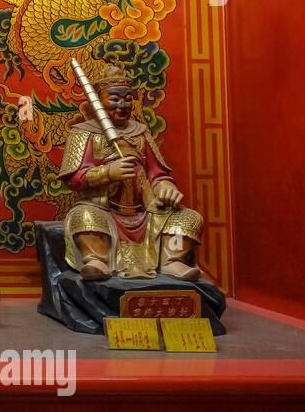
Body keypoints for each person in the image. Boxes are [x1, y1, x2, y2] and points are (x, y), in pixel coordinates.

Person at [58, 66, 203, 280]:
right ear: (98, 101)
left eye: (128, 99)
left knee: (189, 218)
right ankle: (98, 259)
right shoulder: (84, 132)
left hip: (144, 209)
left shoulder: (140, 132)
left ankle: (172, 259)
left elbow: (157, 173)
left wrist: (165, 187)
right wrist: (107, 172)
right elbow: (73, 177)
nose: (123, 105)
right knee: (84, 216)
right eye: (114, 99)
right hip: (104, 207)